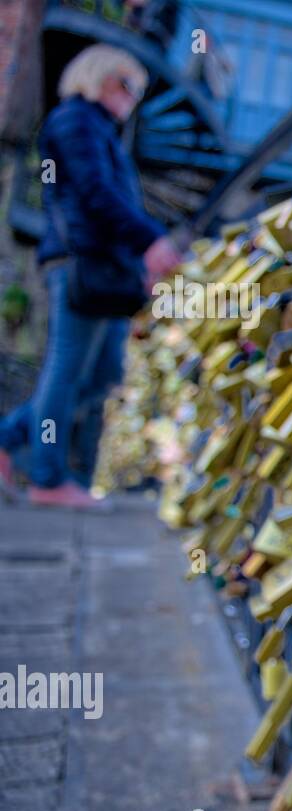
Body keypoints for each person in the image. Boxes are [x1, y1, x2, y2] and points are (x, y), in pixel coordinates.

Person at [0, 45, 183, 508]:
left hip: (106, 267)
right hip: (79, 264)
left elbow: (106, 201)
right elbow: (96, 195)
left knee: (102, 374)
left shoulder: (98, 128)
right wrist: (149, 242)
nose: (134, 97)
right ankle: (46, 478)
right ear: (99, 77)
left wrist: (137, 260)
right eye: (128, 84)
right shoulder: (75, 121)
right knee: (65, 372)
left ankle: (9, 441)